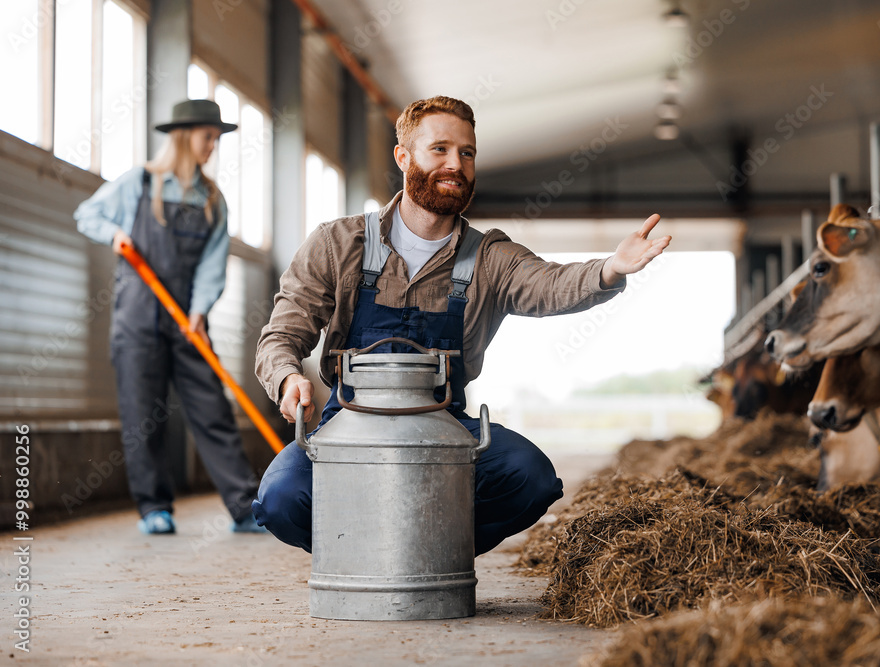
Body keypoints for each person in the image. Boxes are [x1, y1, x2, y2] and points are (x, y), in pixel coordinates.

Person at [252, 96, 670, 554]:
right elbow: (281, 335)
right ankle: (362, 556)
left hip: (445, 425)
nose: (456, 164)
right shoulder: (339, 242)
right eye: (440, 150)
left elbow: (550, 283)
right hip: (349, 422)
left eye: (467, 153)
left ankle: (434, 551)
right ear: (403, 155)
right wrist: (288, 377)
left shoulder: (489, 257)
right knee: (280, 499)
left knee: (531, 479)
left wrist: (609, 268)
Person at [75, 99, 265, 535]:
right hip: (137, 320)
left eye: (217, 139)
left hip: (188, 320)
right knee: (142, 415)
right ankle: (153, 508)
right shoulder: (140, 183)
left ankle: (243, 506)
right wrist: (116, 234)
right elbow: (88, 214)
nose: (213, 146)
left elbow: (212, 265)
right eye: (207, 137)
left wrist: (199, 311)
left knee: (212, 409)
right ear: (184, 137)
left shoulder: (212, 200)